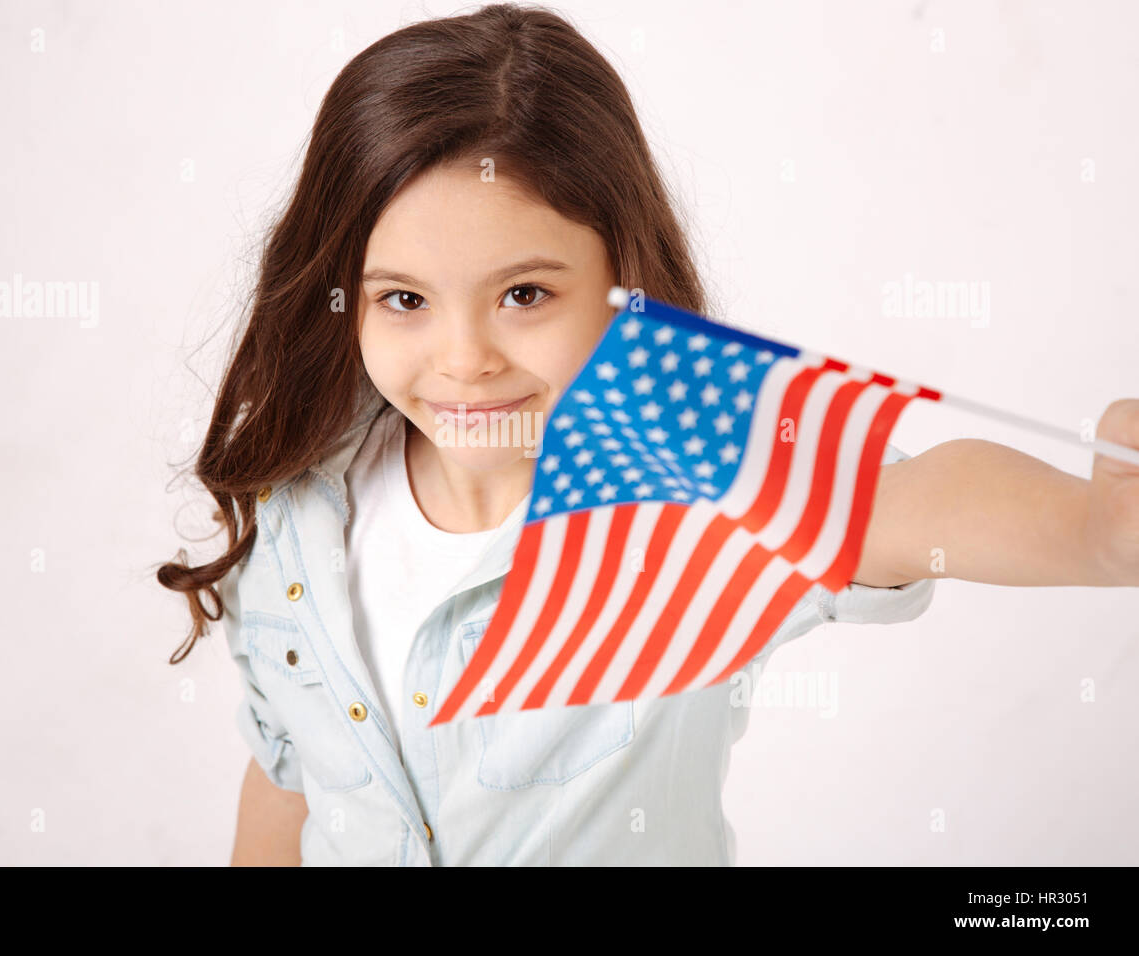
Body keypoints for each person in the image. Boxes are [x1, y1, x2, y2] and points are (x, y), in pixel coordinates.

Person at [156, 3, 1138, 866]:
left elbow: (908, 499)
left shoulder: (689, 481)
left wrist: (1093, 529)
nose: (463, 359)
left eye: (525, 293)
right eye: (404, 298)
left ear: (620, 274)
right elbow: (287, 774)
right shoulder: (297, 507)